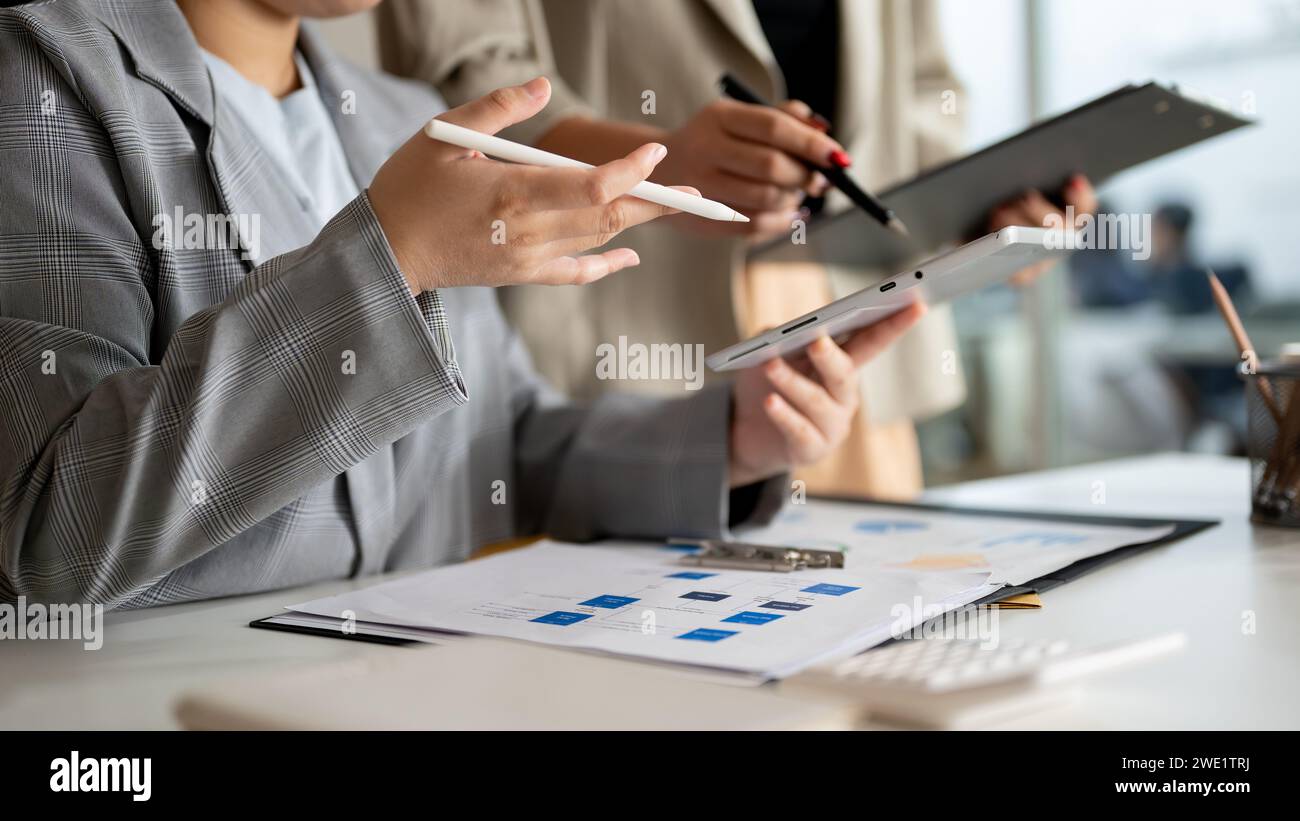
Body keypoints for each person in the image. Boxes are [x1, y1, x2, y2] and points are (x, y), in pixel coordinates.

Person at [0, 0, 924, 608]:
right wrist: (393, 260)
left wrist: (733, 441)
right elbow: (55, 531)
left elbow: (508, 451)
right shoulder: (44, 75)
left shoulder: (405, 118)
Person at [377, 0, 1098, 498]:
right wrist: (659, 166)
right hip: (632, 319)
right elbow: (456, 69)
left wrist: (971, 216)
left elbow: (924, 87)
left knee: (864, 669)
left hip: (856, 326)